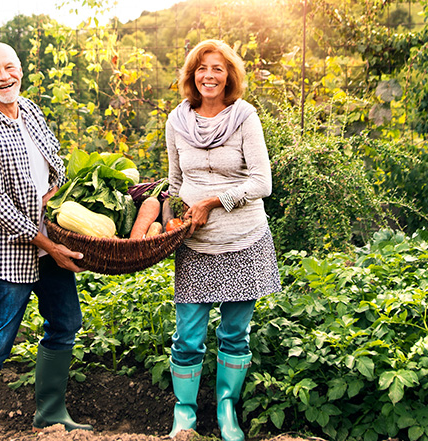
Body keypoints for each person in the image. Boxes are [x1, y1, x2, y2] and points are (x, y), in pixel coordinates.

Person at [0, 42, 93, 440]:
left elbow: (56, 162)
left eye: (10, 68)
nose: (4, 77)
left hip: (48, 241)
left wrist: (55, 194)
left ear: (21, 70)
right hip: (7, 254)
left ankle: (51, 415)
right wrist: (48, 243)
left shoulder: (30, 110)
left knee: (65, 322)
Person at [164, 39, 280, 441]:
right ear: (192, 76)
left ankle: (227, 411)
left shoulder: (245, 116)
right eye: (202, 68)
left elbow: (262, 183)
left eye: (218, 68)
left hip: (244, 239)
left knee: (234, 333)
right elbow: (176, 183)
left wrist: (213, 201)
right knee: (188, 335)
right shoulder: (176, 121)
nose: (209, 75)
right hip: (195, 244)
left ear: (229, 75)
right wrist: (163, 220)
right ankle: (185, 414)